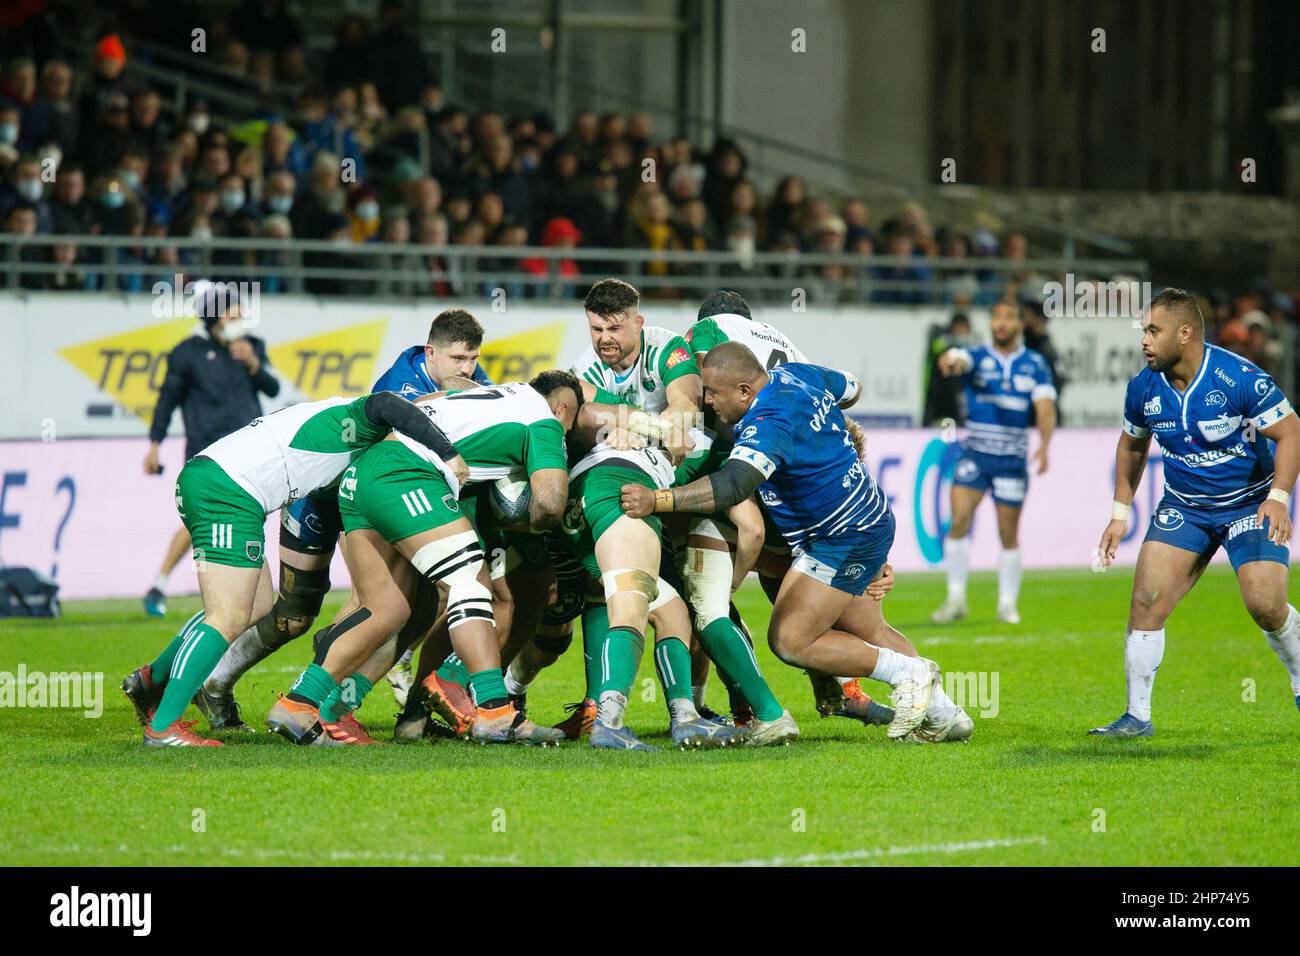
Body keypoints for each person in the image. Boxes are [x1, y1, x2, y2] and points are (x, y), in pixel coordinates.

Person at [620, 343, 973, 744]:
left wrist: (658, 500)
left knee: (790, 639)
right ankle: (947, 714)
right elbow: (852, 388)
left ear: (743, 391)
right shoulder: (797, 375)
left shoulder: (767, 423)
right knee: (867, 626)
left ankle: (910, 673)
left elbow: (733, 485)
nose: (708, 401)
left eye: (714, 392)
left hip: (840, 536)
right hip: (866, 517)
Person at [120, 390, 468, 746]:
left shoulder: (341, 423)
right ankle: (163, 728)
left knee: (254, 607)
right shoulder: (365, 415)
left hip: (221, 485)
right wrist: (449, 454)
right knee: (227, 615)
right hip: (227, 492)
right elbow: (386, 403)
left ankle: (150, 680)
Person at [268, 375, 579, 746]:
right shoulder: (544, 422)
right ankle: (496, 711)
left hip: (362, 475)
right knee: (470, 584)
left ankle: (301, 704)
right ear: (562, 409)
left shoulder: (489, 393)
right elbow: (549, 501)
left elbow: (431, 397)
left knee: (387, 609)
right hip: (407, 476)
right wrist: (534, 518)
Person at [1092, 288, 1300, 736]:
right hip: (1185, 507)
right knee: (1145, 602)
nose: (1144, 340)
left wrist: (1279, 498)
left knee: (1265, 605)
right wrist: (1119, 513)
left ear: (1185, 334)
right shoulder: (1144, 387)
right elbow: (1131, 443)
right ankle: (1137, 717)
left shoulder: (1237, 378)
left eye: (1153, 331)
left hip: (1249, 503)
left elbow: (1292, 432)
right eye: (1144, 331)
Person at [142, 283, 280, 617]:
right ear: (215, 316)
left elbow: (272, 388)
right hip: (209, 452)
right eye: (234, 312)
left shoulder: (252, 346)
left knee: (245, 516)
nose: (241, 318)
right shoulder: (187, 352)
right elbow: (167, 400)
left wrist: (252, 363)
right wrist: (155, 444)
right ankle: (162, 584)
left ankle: (251, 591)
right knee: (202, 520)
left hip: (251, 447)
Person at [931, 300, 1058, 624]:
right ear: (990, 323)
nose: (1001, 323)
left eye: (1009, 318)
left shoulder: (1035, 364)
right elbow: (958, 360)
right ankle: (956, 598)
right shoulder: (976, 356)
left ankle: (1006, 604)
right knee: (958, 520)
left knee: (1007, 533)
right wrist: (950, 359)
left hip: (1011, 461)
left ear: (1019, 324)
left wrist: (1044, 445)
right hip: (975, 455)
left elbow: (1045, 408)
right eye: (996, 317)